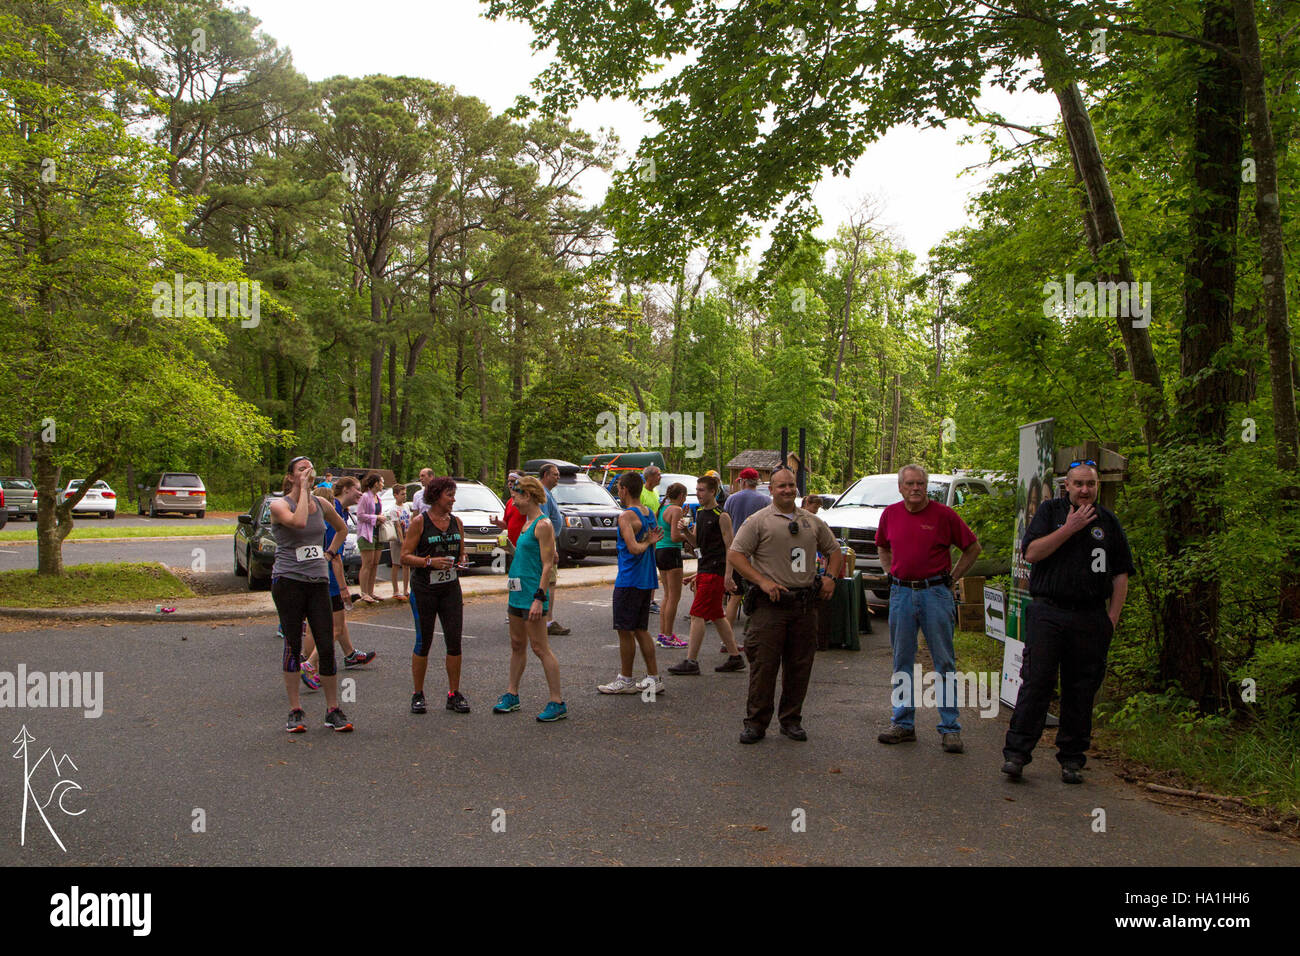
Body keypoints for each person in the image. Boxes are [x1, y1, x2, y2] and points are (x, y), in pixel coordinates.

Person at [1002, 461, 1134, 784]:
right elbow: (1031, 553)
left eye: (1090, 484)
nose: (1085, 490)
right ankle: (1017, 755)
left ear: (1097, 486)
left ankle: (1072, 759)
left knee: (1081, 688)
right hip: (1049, 611)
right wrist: (1069, 528)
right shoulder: (1050, 512)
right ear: (1067, 486)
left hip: (1090, 616)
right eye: (1078, 484)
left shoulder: (1109, 522)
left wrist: (1111, 618)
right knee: (1037, 683)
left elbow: (1121, 573)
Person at [728, 467, 841, 743]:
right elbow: (736, 555)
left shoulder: (812, 522)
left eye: (791, 485)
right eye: (781, 486)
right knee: (764, 667)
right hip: (771, 605)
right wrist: (762, 582)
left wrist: (831, 578)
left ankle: (791, 720)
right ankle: (755, 723)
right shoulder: (758, 521)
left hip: (804, 605)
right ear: (771, 489)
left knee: (800, 666)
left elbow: (834, 551)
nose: (788, 490)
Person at [875, 464, 983, 753]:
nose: (915, 488)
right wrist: (889, 572)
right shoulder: (890, 514)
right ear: (900, 487)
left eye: (920, 483)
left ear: (927, 486)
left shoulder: (944, 515)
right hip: (901, 594)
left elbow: (973, 547)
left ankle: (950, 728)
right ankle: (903, 723)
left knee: (944, 661)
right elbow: (882, 546)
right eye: (909, 483)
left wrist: (954, 577)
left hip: (935, 593)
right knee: (902, 661)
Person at [270, 455, 354, 733]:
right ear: (291, 476)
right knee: (293, 645)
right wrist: (304, 491)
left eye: (309, 467)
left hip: (317, 580)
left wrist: (330, 552)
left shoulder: (322, 503)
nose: (307, 471)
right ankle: (295, 710)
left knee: (326, 644)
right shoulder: (280, 505)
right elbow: (298, 522)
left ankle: (333, 709)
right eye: (300, 469)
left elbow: (341, 529)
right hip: (289, 581)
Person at [493, 476, 566, 722]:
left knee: (540, 648)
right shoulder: (526, 524)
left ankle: (557, 701)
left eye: (515, 495)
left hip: (533, 595)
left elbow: (547, 565)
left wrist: (539, 598)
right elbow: (528, 557)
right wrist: (509, 550)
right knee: (516, 644)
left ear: (529, 496)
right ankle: (512, 694)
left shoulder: (542, 525)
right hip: (517, 593)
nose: (512, 500)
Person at [298, 477, 377, 688]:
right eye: (358, 490)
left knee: (319, 624)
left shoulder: (332, 513)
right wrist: (343, 588)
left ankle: (348, 654)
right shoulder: (332, 517)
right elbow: (335, 556)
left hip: (315, 575)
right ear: (346, 490)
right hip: (329, 579)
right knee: (336, 627)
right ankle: (310, 664)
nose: (361, 494)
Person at [402, 476, 471, 715]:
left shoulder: (456, 522)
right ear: (436, 496)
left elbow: (462, 552)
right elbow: (404, 556)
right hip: (424, 589)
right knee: (424, 641)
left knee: (454, 641)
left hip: (450, 588)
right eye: (449, 495)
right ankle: (418, 693)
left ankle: (454, 693)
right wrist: (429, 561)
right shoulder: (420, 522)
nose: (453, 500)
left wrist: (461, 561)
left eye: (454, 495)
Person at [668, 475, 744, 675]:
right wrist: (685, 532)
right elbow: (698, 545)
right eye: (697, 489)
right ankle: (735, 656)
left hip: (716, 572)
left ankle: (691, 661)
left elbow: (731, 547)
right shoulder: (700, 513)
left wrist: (729, 575)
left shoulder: (722, 516)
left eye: (702, 490)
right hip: (705, 569)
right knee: (717, 615)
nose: (698, 494)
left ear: (713, 492)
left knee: (697, 615)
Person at [598, 472, 666, 696]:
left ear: (625, 490)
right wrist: (649, 542)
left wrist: (645, 541)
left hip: (629, 580)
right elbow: (652, 546)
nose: (618, 490)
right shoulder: (650, 515)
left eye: (619, 487)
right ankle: (654, 679)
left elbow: (635, 549)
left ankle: (626, 679)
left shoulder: (627, 517)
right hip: (645, 580)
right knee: (641, 630)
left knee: (625, 631)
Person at [723, 467, 771, 628]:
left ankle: (726, 638)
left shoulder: (731, 499)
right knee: (759, 595)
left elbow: (725, 522)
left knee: (734, 597)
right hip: (758, 554)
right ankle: (755, 633)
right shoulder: (765, 501)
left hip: (736, 552)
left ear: (743, 482)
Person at [653, 482, 689, 648]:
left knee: (667, 595)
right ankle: (668, 635)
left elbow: (666, 529)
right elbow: (675, 536)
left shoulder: (663, 508)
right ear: (681, 496)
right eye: (685, 496)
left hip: (660, 551)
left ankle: (663, 634)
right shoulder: (676, 509)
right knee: (674, 597)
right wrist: (690, 534)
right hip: (671, 552)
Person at [537, 463, 570, 635]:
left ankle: (546, 618)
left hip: (550, 541)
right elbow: (544, 522)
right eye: (555, 475)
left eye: (558, 475)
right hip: (547, 542)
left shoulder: (546, 493)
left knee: (550, 581)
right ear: (545, 475)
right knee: (549, 581)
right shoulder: (542, 494)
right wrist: (551, 548)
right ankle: (547, 621)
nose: (558, 477)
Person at [355, 473, 388, 603]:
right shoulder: (365, 497)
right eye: (382, 482)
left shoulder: (377, 498)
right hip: (366, 534)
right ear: (376, 483)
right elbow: (360, 515)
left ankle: (371, 592)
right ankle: (364, 593)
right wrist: (376, 518)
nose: (383, 484)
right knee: (367, 563)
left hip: (377, 532)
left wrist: (381, 518)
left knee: (375, 564)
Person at [640, 466, 663, 614]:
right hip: (644, 536)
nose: (660, 477)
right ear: (649, 477)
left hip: (656, 536)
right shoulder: (641, 493)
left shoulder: (655, 492)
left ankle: (650, 600)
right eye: (658, 475)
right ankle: (644, 599)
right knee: (644, 566)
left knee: (652, 566)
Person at [384, 483, 411, 600]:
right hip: (397, 540)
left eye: (405, 494)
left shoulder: (406, 507)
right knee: (396, 563)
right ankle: (395, 589)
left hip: (407, 537)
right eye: (402, 494)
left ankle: (406, 589)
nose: (404, 496)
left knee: (406, 564)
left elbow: (409, 521)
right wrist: (402, 540)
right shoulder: (393, 509)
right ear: (395, 495)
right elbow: (397, 526)